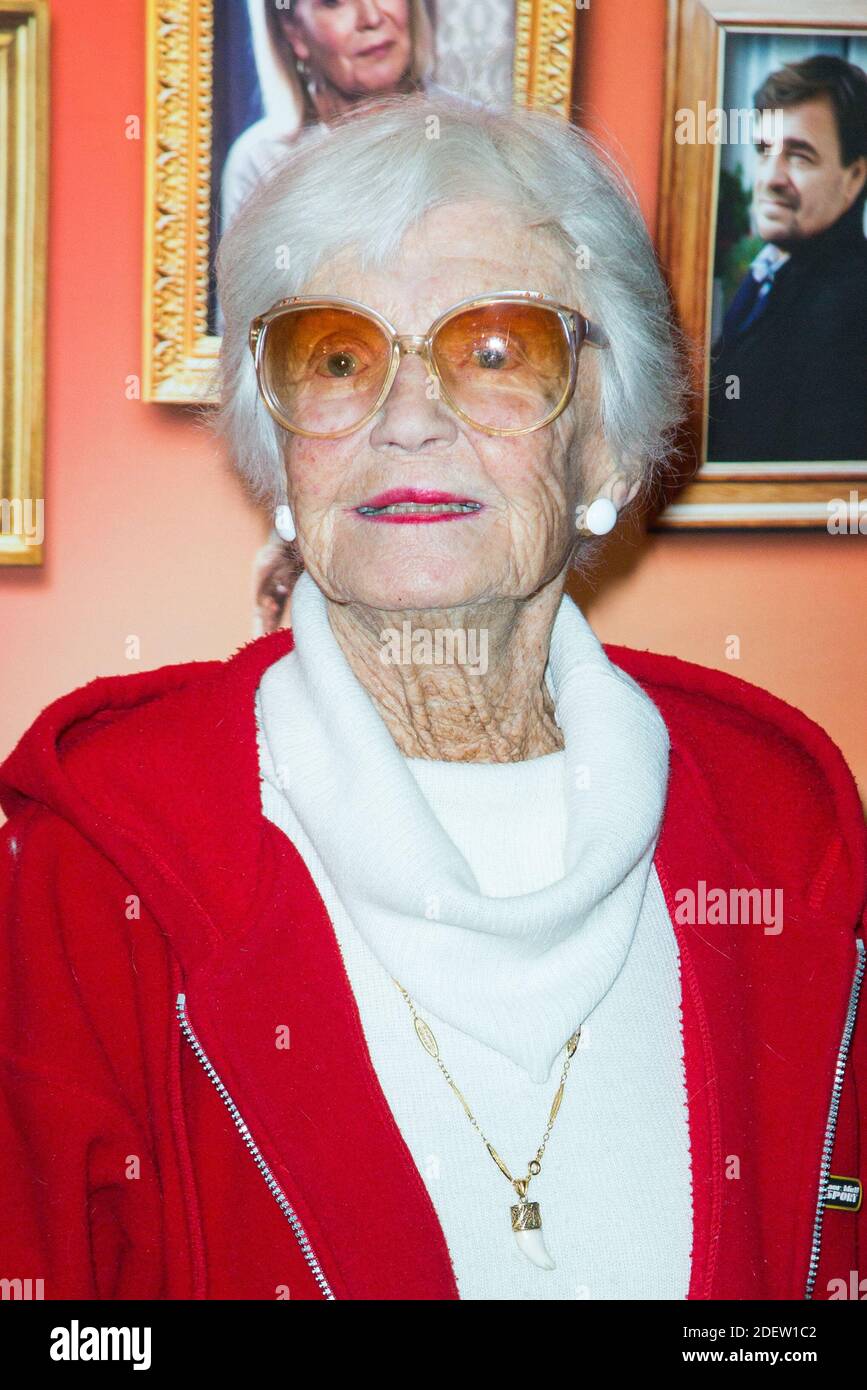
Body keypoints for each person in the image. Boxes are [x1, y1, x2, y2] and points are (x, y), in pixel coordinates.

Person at [1, 95, 865, 1301]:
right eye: (339, 357)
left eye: (497, 351)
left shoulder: (786, 831)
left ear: (608, 451)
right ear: (283, 443)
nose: (408, 419)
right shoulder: (98, 862)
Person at [707, 55, 867, 462]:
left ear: (854, 177)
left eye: (799, 155)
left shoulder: (849, 309)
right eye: (764, 150)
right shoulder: (773, 269)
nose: (770, 178)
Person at [220, 0, 436, 235]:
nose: (371, 18)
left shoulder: (469, 130)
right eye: (334, 3)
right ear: (294, 31)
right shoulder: (263, 160)